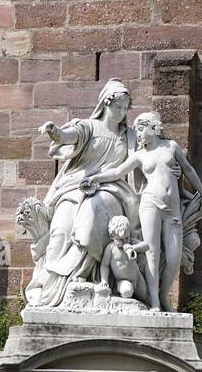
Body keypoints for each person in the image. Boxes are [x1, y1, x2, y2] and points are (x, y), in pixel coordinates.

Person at [23, 79, 139, 309]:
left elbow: (146, 159)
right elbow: (67, 137)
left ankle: (84, 277)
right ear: (106, 103)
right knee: (61, 227)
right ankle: (51, 286)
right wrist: (54, 131)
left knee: (92, 210)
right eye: (118, 107)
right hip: (75, 187)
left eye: (125, 108)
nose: (122, 112)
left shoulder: (129, 136)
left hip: (111, 190)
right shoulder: (88, 127)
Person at [81, 112, 202, 311]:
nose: (138, 134)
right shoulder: (141, 155)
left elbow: (189, 169)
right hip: (150, 203)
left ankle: (163, 293)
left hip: (172, 209)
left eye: (141, 129)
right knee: (152, 253)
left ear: (152, 127)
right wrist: (94, 178)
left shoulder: (171, 147)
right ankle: (157, 302)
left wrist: (201, 192)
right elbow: (117, 172)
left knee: (174, 259)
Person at [98, 215, 148, 302]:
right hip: (123, 280)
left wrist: (134, 247)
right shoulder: (111, 249)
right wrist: (104, 280)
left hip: (137, 278)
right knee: (127, 291)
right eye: (120, 239)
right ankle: (121, 294)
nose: (124, 241)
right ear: (112, 236)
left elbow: (146, 246)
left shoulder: (131, 242)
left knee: (146, 296)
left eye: (127, 238)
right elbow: (105, 265)